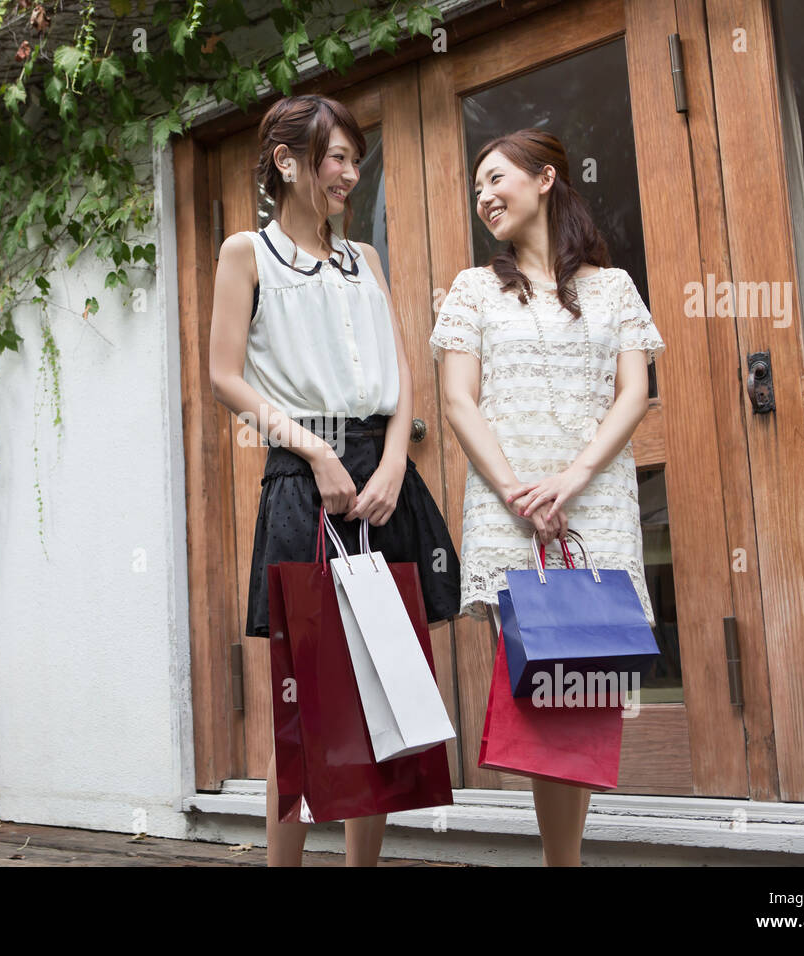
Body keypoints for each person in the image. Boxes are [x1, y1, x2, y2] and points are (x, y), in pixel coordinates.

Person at [209, 93, 462, 866]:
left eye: (357, 158)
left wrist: (393, 463)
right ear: (287, 163)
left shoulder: (366, 261)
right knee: (305, 700)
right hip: (303, 482)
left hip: (384, 486)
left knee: (384, 693)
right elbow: (225, 376)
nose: (352, 172)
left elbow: (399, 375)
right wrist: (315, 455)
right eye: (337, 158)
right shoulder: (244, 254)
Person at [428, 127, 666, 866]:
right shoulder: (472, 290)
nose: (484, 196)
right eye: (476, 189)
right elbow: (459, 402)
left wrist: (572, 478)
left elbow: (635, 394)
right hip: (513, 517)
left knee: (582, 695)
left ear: (546, 180)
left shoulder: (614, 288)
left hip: (590, 511)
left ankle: (563, 859)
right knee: (545, 695)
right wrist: (518, 492)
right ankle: (561, 860)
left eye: (496, 178)